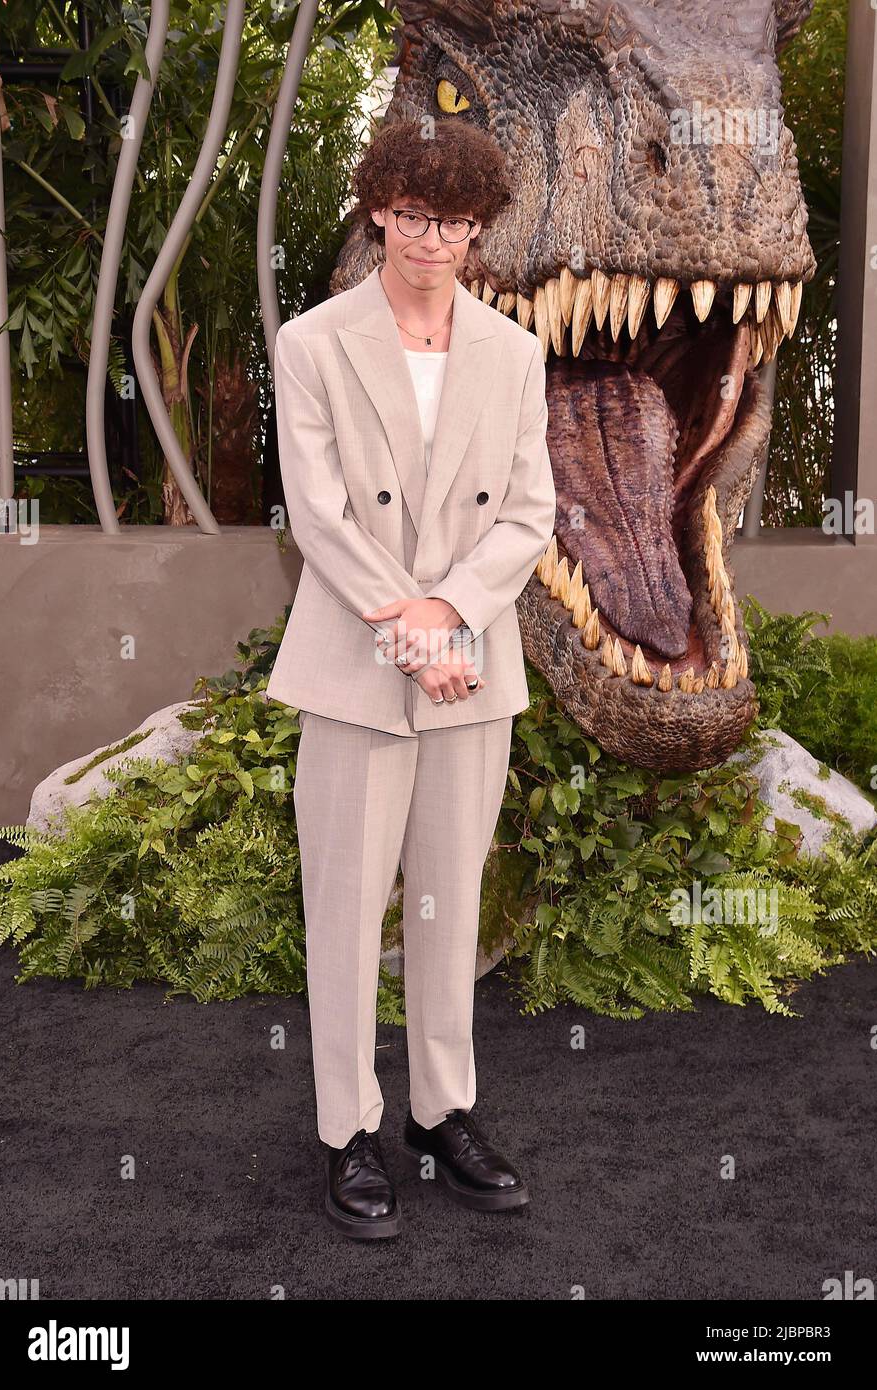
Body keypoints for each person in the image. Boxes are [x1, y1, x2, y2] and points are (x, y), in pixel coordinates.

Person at [266, 117, 556, 1239]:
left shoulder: (516, 352)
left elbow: (529, 512)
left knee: (448, 897)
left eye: (458, 222)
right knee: (345, 906)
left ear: (477, 229)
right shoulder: (314, 342)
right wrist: (414, 632)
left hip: (469, 666)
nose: (436, 239)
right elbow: (321, 517)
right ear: (379, 208)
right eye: (416, 215)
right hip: (356, 663)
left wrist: (451, 621)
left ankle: (443, 1111)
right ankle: (349, 1128)